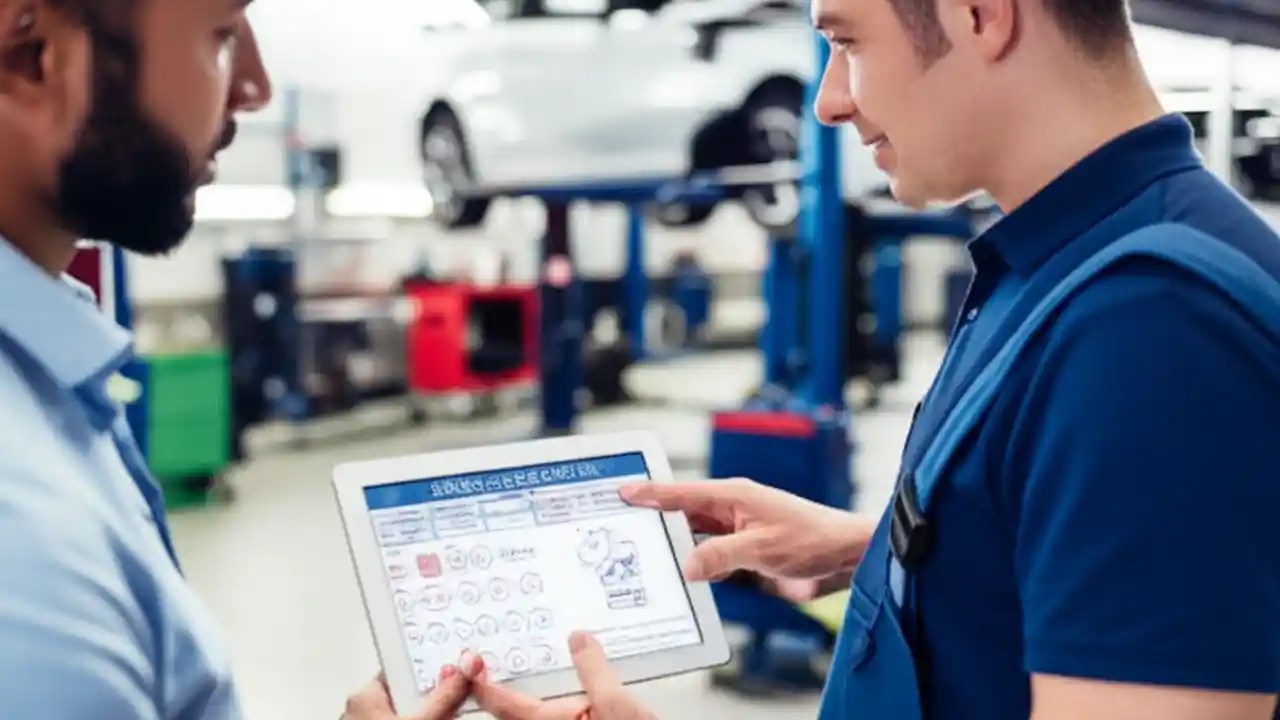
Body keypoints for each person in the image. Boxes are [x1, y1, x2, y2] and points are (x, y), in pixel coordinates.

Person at [405, 0, 1280, 718]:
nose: (828, 101)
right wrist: (889, 555)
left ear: (981, 16)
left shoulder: (1151, 325)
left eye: (847, 42)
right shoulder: (1070, 264)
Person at [0, 1, 475, 718]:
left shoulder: (46, 388)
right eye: (221, 35)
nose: (253, 86)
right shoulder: (27, 552)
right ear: (34, 60)